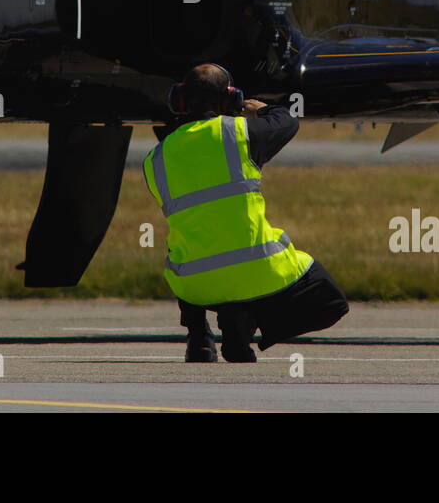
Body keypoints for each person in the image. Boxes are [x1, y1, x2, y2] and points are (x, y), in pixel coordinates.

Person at [143, 63, 350, 363]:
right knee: (331, 303)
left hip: (193, 284)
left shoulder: (156, 158)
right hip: (259, 271)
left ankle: (198, 336)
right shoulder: (239, 134)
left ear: (180, 101)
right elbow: (288, 121)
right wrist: (262, 110)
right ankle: (242, 321)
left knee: (188, 234)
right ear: (231, 101)